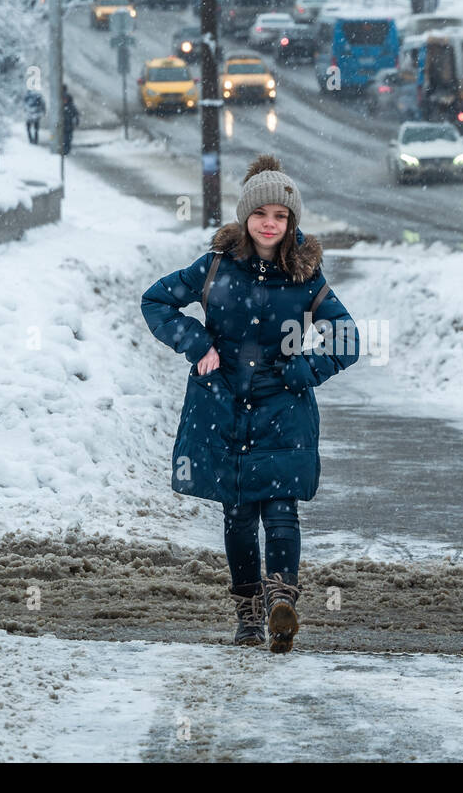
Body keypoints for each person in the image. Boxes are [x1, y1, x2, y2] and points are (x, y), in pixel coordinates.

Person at [140, 154, 360, 653]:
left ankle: (282, 602)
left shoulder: (306, 274)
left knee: (281, 510)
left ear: (291, 222)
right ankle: (248, 617)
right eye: (261, 214)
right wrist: (198, 345)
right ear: (246, 217)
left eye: (280, 216)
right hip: (221, 408)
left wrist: (308, 368)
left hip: (283, 409)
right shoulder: (216, 265)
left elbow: (347, 338)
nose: (270, 223)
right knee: (238, 515)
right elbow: (156, 301)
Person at [61, 87, 79, 155]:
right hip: (68, 125)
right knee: (68, 139)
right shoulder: (70, 105)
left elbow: (76, 114)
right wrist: (77, 122)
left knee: (66, 139)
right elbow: (76, 114)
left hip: (65, 125)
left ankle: (66, 150)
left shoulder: (61, 105)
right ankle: (66, 150)